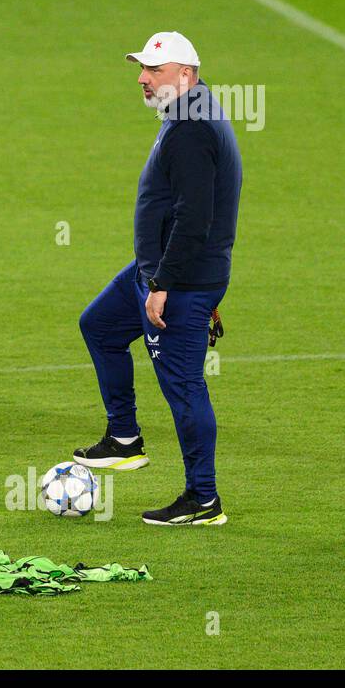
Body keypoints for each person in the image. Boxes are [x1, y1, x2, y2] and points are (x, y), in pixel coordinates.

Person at [72, 31, 242, 526]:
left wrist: (164, 284)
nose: (144, 79)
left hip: (180, 281)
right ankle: (123, 439)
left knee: (184, 386)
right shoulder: (189, 108)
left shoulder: (191, 129)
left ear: (185, 75)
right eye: (142, 70)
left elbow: (195, 218)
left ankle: (203, 498)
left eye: (155, 71)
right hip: (159, 270)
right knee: (99, 326)